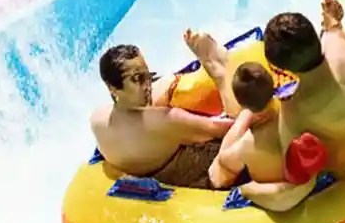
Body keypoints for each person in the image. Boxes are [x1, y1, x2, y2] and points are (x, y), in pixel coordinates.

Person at [235, 0, 345, 211]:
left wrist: (245, 190)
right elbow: (333, 32)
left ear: (281, 70)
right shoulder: (342, 55)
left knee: (255, 138)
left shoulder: (295, 113)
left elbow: (295, 189)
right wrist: (332, 22)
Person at [90, 32, 237, 188]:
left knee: (167, 85)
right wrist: (219, 77)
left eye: (148, 76)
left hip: (150, 165)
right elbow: (227, 129)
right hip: (190, 172)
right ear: (113, 87)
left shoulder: (97, 119)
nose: (147, 85)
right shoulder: (166, 120)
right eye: (137, 79)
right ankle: (217, 69)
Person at [207, 62, 286, 189]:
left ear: (240, 102)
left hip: (270, 183)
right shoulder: (292, 106)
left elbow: (216, 179)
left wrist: (242, 120)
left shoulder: (244, 147)